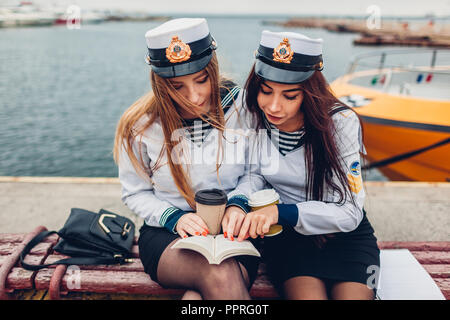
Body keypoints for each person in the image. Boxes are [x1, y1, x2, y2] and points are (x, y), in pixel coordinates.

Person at [113, 18, 259, 300]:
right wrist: (174, 218)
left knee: (196, 297)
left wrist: (239, 204)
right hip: (166, 234)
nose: (194, 96)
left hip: (233, 232)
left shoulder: (243, 107)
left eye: (202, 80)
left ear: (213, 69)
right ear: (160, 83)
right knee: (219, 273)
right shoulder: (140, 125)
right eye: (178, 87)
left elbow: (255, 173)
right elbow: (135, 193)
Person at [235, 30, 380, 300]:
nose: (274, 106)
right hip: (289, 238)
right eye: (266, 91)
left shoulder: (340, 122)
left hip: (343, 236)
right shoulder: (253, 111)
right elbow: (253, 174)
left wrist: (280, 213)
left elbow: (349, 212)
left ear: (310, 93)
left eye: (290, 96)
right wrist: (240, 203)